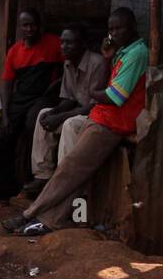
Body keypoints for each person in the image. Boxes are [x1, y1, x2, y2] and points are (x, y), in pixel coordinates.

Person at [3, 8, 149, 237]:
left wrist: (96, 91)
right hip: (100, 116)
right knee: (72, 169)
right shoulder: (120, 53)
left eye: (118, 28)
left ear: (132, 27)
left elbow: (115, 96)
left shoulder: (137, 53)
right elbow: (96, 93)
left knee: (71, 168)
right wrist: (106, 68)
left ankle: (30, 214)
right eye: (110, 29)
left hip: (113, 123)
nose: (113, 33)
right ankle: (48, 217)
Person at [23, 23, 108, 198]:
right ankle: (43, 175)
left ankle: (64, 181)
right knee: (43, 114)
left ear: (83, 44)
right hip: (79, 112)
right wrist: (54, 113)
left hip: (96, 118)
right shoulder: (68, 63)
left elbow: (93, 105)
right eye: (62, 42)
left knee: (69, 124)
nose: (64, 47)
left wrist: (60, 116)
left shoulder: (97, 63)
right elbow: (69, 98)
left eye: (69, 42)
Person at [0, 9, 62, 200]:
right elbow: (7, 84)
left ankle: (31, 183)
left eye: (33, 24)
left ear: (39, 25)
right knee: (2, 137)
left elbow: (67, 70)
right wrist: (5, 115)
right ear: (20, 27)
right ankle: (5, 187)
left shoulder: (54, 44)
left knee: (33, 126)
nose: (30, 28)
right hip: (21, 99)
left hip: (44, 97)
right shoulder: (15, 51)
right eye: (25, 25)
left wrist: (55, 87)